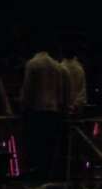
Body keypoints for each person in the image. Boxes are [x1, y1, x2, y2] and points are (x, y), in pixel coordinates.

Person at [20, 40, 69, 179]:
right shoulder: (57, 66)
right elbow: (60, 91)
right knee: (50, 146)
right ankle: (49, 174)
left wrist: (23, 106)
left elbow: (28, 89)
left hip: (37, 110)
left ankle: (37, 174)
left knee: (36, 145)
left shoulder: (32, 64)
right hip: (53, 111)